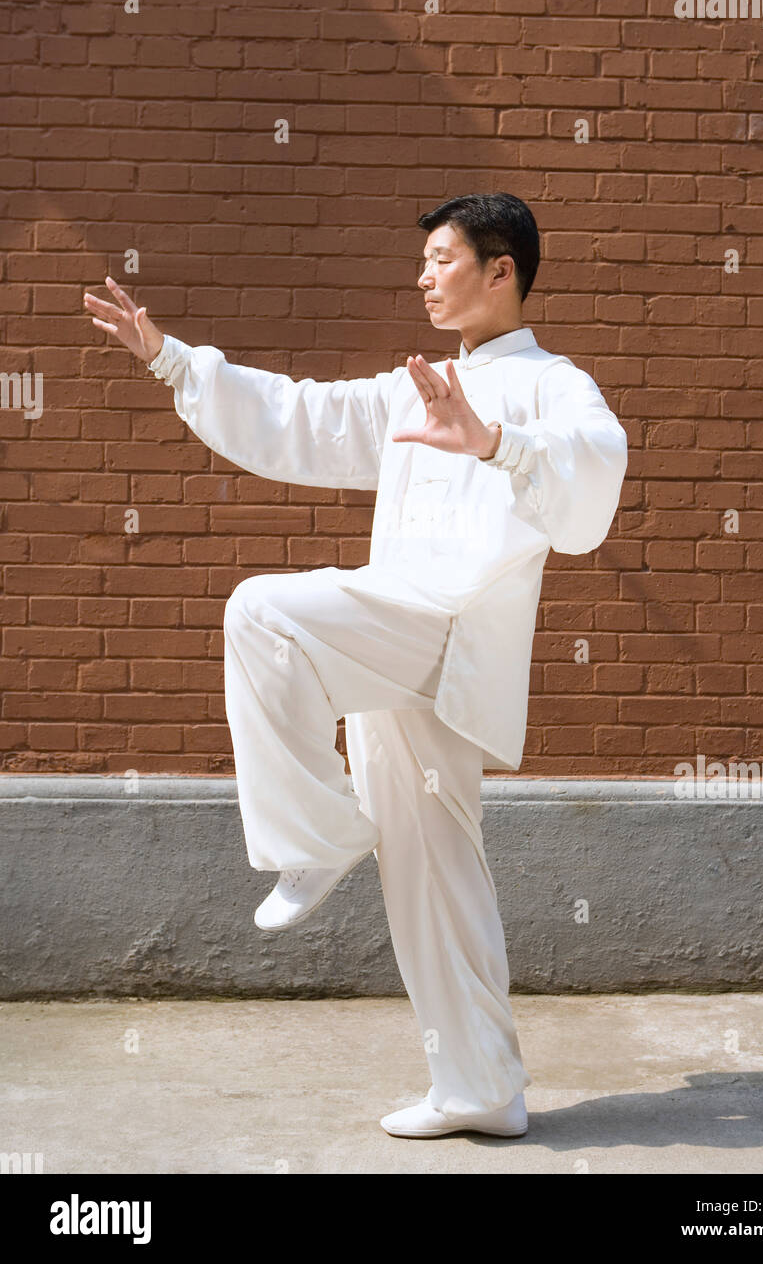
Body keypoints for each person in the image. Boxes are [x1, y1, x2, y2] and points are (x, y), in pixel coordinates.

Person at [83, 192, 628, 1140]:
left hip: (448, 631)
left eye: (442, 257)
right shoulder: (415, 387)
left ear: (502, 271)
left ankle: (315, 834)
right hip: (396, 638)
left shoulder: (552, 384)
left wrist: (497, 443)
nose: (423, 275)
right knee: (432, 870)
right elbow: (300, 417)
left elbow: (595, 470)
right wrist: (174, 361)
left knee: (261, 610)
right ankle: (480, 1088)